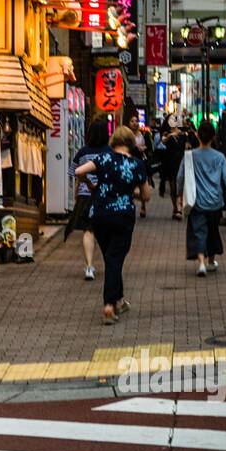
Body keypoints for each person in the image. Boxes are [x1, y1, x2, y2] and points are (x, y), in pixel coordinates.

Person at [74, 125, 151, 325]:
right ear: (131, 143)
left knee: (111, 257)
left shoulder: (103, 158)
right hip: (123, 215)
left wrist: (91, 185)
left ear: (113, 141)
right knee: (115, 257)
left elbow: (79, 170)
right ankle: (109, 305)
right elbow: (147, 196)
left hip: (100, 214)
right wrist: (132, 192)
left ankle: (119, 299)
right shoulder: (136, 164)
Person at [178, 119, 226, 277]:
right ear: (213, 137)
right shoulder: (220, 157)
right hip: (216, 201)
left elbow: (180, 177)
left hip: (197, 202)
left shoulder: (190, 156)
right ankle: (211, 261)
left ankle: (202, 263)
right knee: (213, 231)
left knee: (198, 231)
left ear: (197, 136)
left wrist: (179, 195)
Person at [66, 119, 110, 280]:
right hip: (105, 196)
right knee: (105, 231)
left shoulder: (82, 152)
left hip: (85, 196)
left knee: (88, 230)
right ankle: (109, 265)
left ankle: (89, 267)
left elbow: (74, 173)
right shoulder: (110, 152)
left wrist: (79, 190)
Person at [157, 120, 186, 220]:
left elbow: (186, 145)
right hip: (170, 162)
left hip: (181, 162)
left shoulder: (182, 133)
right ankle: (175, 208)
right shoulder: (166, 134)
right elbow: (163, 141)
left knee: (180, 186)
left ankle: (179, 208)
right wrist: (171, 135)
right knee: (173, 187)